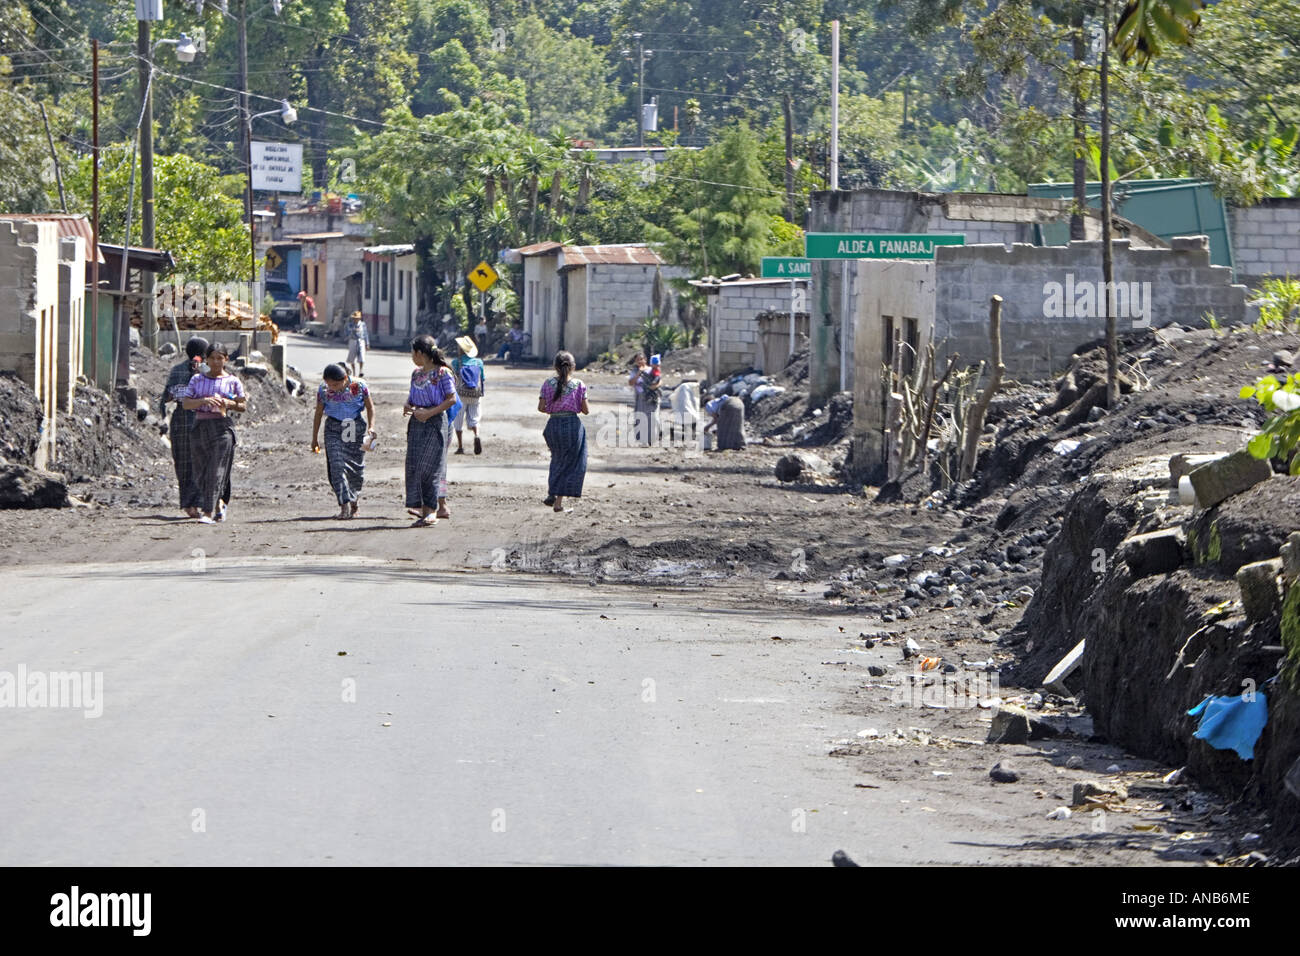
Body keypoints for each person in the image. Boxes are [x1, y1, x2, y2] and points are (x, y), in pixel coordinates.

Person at [181, 343, 247, 523]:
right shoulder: (197, 380)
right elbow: (186, 404)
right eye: (212, 358)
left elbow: (242, 405)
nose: (216, 362)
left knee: (217, 470)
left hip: (223, 427)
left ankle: (208, 512)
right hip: (200, 427)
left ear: (226, 359)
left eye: (220, 358)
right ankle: (218, 503)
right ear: (206, 359)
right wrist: (203, 400)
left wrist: (228, 403)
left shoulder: (233, 381)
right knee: (201, 470)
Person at [404, 334, 458, 527]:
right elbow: (412, 396)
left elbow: (451, 399)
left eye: (413, 352)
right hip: (416, 424)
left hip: (435, 423)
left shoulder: (442, 373)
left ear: (419, 353)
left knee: (431, 467)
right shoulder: (416, 374)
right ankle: (423, 509)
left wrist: (429, 413)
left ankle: (431, 511)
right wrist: (408, 405)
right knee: (415, 467)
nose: (411, 356)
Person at [311, 363, 375, 519]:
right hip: (333, 428)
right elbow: (318, 413)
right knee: (336, 466)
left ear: (345, 379)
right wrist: (314, 438)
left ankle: (354, 503)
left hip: (353, 426)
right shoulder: (323, 390)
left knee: (354, 467)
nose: (333, 387)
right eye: (329, 384)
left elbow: (370, 407)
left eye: (336, 384)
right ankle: (344, 506)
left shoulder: (359, 386)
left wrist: (371, 428)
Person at [161, 336, 209, 518]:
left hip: (180, 421)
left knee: (183, 464)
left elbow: (166, 397)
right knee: (202, 462)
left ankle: (189, 505)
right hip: (203, 419)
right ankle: (201, 503)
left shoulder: (176, 370)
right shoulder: (209, 370)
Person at [539, 351, 589, 513]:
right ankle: (558, 501)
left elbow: (541, 408)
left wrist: (555, 408)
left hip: (553, 425)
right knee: (570, 462)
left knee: (557, 458)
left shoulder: (547, 384)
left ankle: (552, 492)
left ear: (555, 367)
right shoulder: (579, 385)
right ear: (573, 367)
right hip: (572, 426)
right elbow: (585, 410)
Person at [451, 335, 485, 455]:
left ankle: (460, 447)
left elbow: (453, 380)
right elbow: (482, 379)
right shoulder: (479, 362)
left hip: (461, 394)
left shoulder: (456, 362)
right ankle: (476, 435)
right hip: (475, 394)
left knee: (458, 420)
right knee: (474, 418)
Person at [628, 352, 661, 446]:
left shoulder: (652, 369)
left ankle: (652, 439)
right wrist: (639, 372)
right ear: (635, 361)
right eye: (637, 360)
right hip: (640, 398)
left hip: (652, 397)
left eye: (641, 359)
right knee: (641, 418)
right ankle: (643, 440)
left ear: (645, 360)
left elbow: (660, 379)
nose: (640, 361)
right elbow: (631, 382)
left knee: (653, 418)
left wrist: (655, 386)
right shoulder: (634, 371)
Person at [345, 311, 369, 377]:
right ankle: (354, 372)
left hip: (361, 341)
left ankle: (361, 370)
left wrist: (367, 343)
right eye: (355, 318)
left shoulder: (363, 324)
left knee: (362, 356)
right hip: (353, 340)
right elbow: (346, 332)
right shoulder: (350, 325)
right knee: (352, 357)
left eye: (357, 318)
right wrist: (352, 331)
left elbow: (365, 334)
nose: (356, 319)